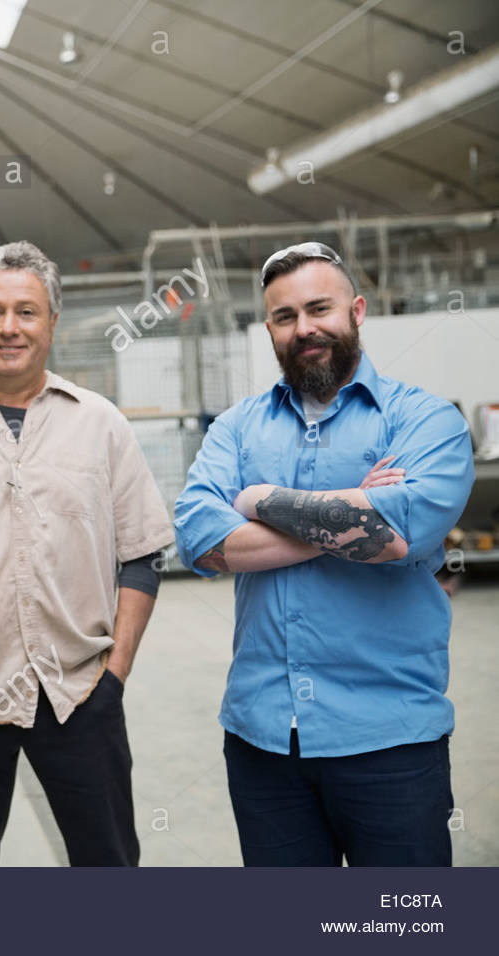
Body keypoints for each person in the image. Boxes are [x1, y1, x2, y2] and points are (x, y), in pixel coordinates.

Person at [174, 242, 475, 866]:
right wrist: (348, 512)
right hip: (263, 742)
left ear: (356, 311)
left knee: (402, 916)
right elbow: (200, 539)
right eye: (285, 316)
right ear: (269, 329)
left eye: (319, 308)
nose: (304, 328)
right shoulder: (236, 427)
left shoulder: (423, 419)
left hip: (389, 741)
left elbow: (395, 534)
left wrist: (256, 500)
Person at [0, 241, 173, 866]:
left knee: (107, 864)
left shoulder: (101, 423)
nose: (9, 327)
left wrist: (115, 676)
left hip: (79, 691)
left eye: (26, 312)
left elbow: (143, 554)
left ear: (51, 322)